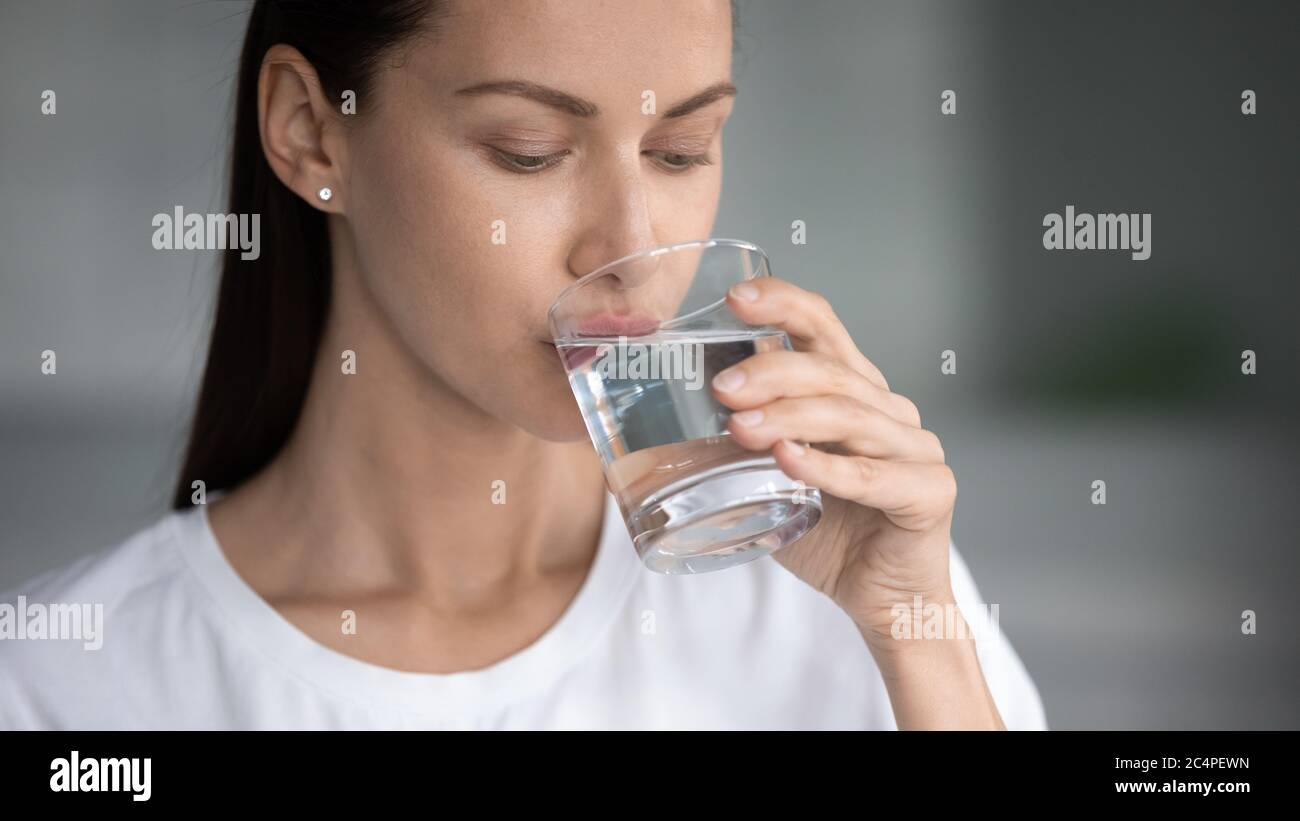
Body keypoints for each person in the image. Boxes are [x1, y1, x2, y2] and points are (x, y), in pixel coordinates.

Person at [0, 0, 1047, 730]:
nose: (629, 251)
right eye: (529, 149)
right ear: (313, 134)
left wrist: (921, 642)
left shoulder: (844, 600)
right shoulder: (60, 681)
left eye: (681, 150)